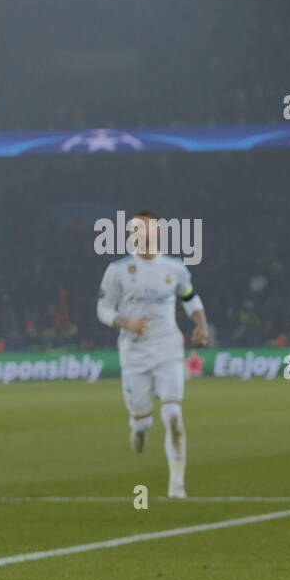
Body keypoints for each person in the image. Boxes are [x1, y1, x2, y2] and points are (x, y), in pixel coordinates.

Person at [96, 211, 210, 499]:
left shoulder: (174, 268)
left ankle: (177, 485)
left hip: (168, 349)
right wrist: (126, 323)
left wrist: (201, 324)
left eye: (145, 228)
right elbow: (103, 309)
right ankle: (139, 428)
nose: (140, 233)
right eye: (135, 229)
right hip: (134, 354)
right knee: (144, 420)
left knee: (173, 415)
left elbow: (190, 297)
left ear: (158, 232)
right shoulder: (118, 270)